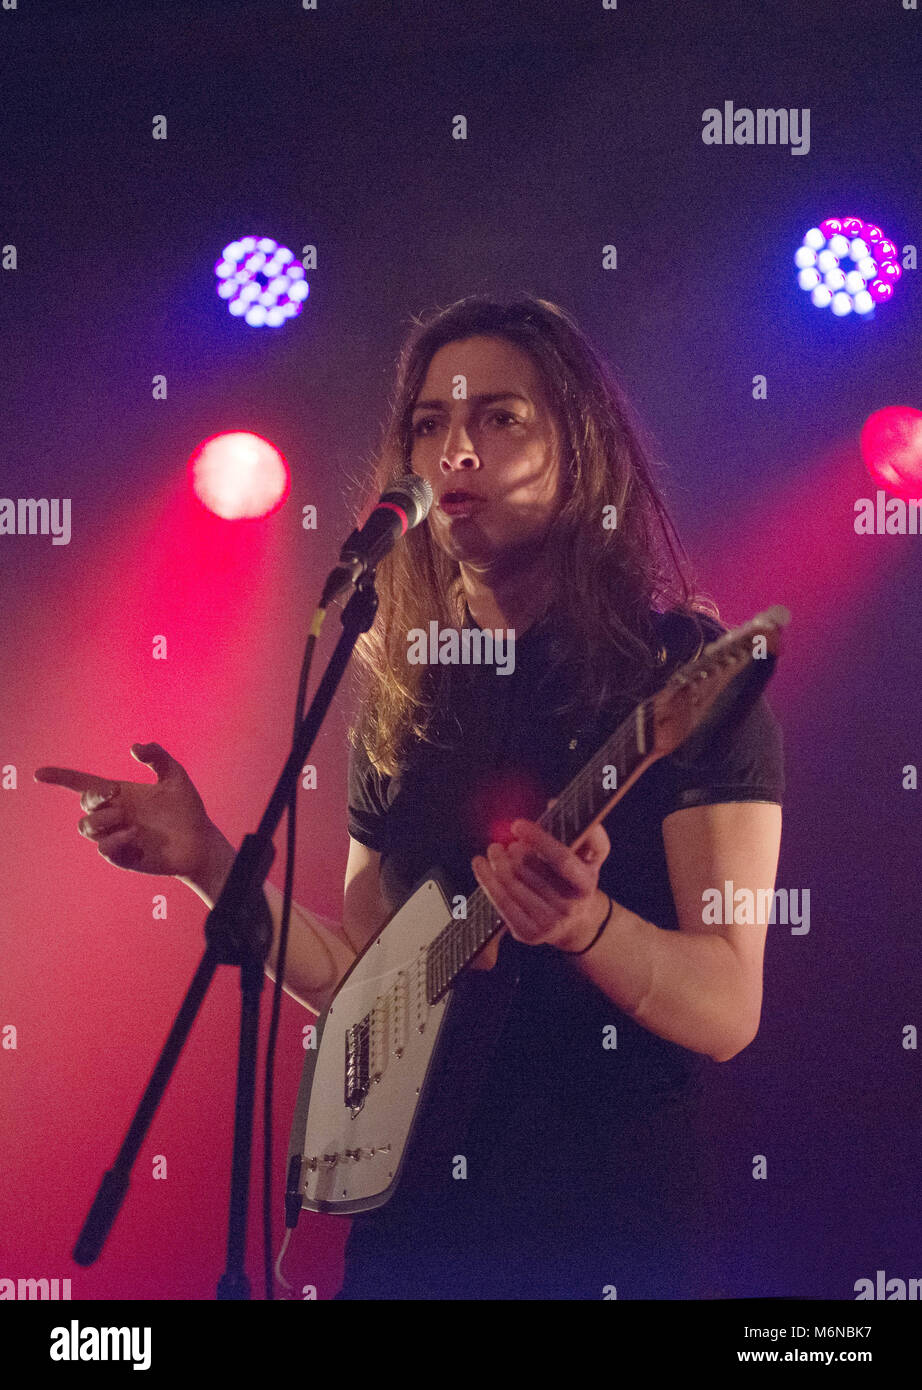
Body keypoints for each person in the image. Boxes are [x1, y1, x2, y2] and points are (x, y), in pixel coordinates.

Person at [35, 293, 783, 1300]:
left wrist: (588, 926)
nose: (454, 450)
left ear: (581, 449)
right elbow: (364, 979)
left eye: (498, 417)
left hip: (600, 1230)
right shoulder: (408, 691)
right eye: (430, 424)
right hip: (409, 1232)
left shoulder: (678, 669)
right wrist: (207, 860)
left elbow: (728, 1007)